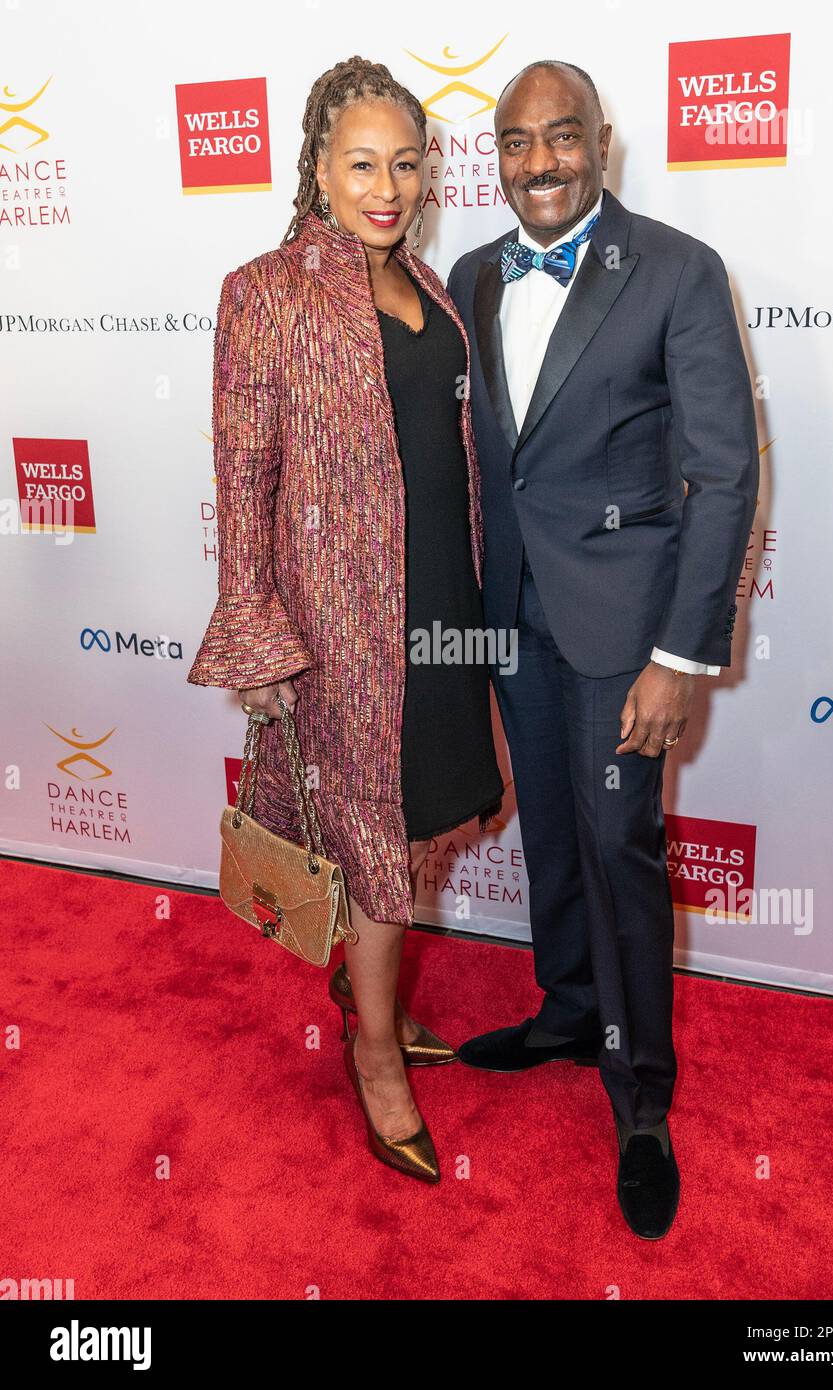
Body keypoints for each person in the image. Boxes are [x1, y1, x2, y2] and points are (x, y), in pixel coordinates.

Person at [447, 60, 758, 1238]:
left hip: (626, 630)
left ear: (603, 143)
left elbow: (725, 472)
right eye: (517, 143)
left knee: (619, 838)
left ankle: (640, 1095)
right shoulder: (476, 274)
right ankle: (570, 1009)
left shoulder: (677, 269)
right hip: (513, 611)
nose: (539, 163)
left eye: (562, 138)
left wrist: (681, 656)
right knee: (557, 830)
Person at [187, 57, 503, 1186]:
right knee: (370, 830)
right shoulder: (263, 290)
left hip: (440, 604)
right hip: (336, 622)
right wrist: (257, 630)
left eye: (405, 163)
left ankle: (362, 988)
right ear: (317, 167)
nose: (387, 185)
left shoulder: (432, 287)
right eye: (361, 162)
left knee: (418, 815)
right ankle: (373, 1053)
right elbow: (242, 473)